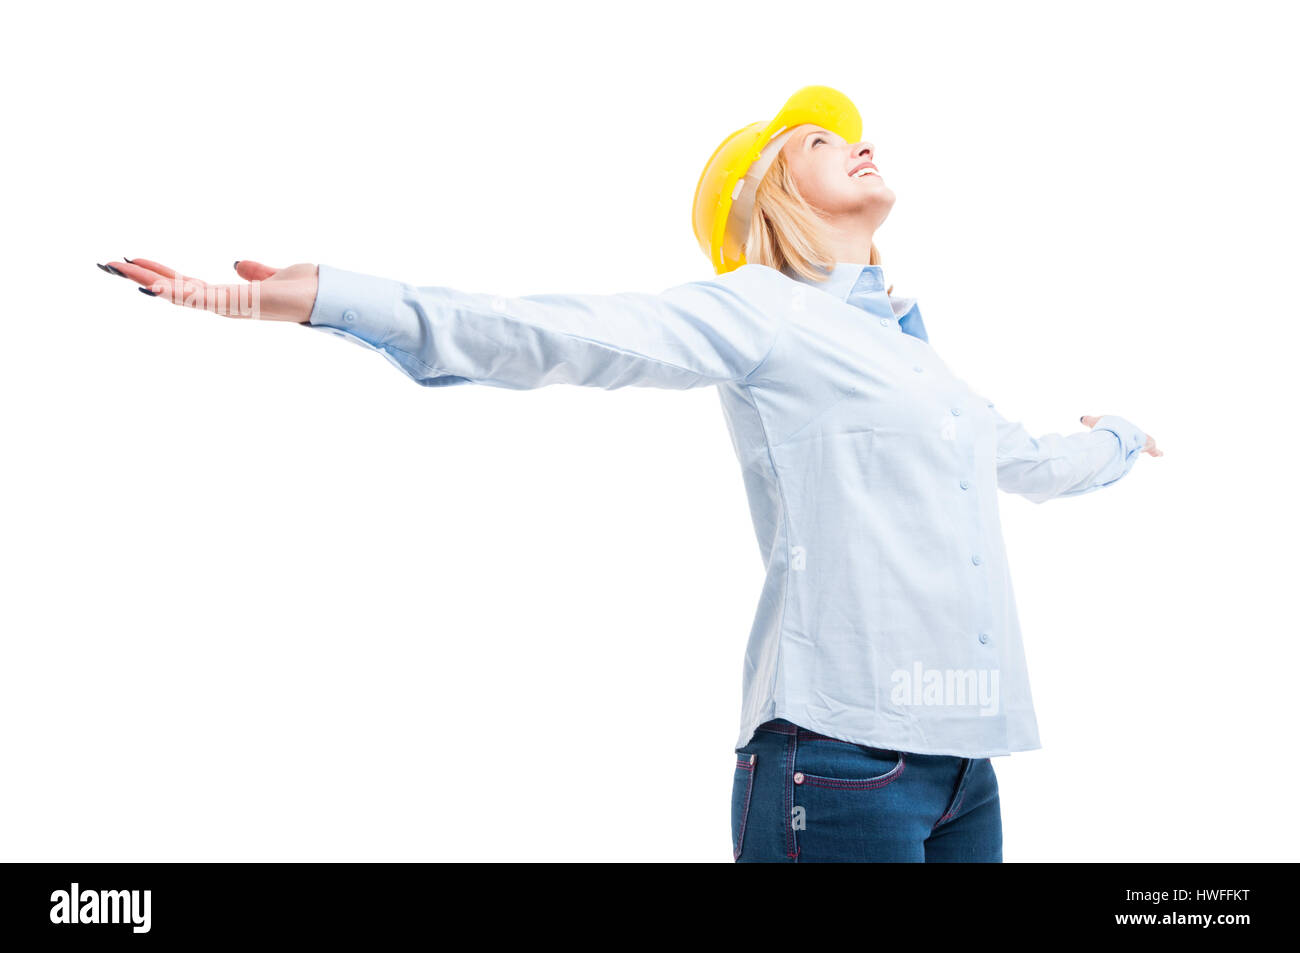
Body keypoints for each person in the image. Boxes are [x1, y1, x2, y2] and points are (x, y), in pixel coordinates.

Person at [97, 84, 1161, 863]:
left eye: (853, 132)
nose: (856, 141)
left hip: (965, 769)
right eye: (815, 140)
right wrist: (326, 295)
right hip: (842, 762)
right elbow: (549, 332)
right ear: (768, 194)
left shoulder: (918, 358)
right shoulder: (757, 310)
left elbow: (1021, 457)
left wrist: (1115, 435)